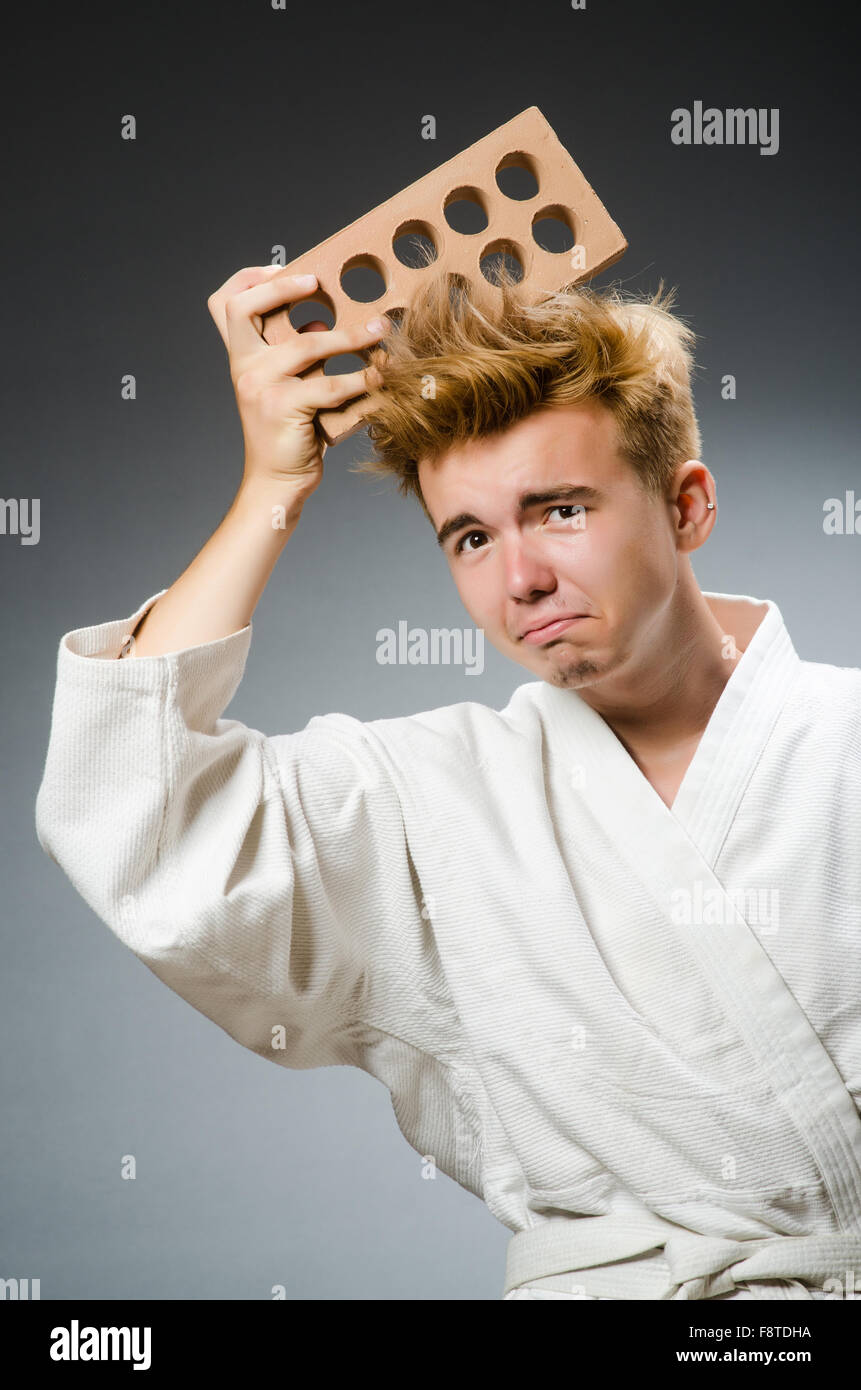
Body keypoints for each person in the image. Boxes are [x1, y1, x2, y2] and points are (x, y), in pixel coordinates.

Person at [35, 262, 861, 1301]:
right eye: (471, 537)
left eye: (559, 510)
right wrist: (270, 493)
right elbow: (136, 815)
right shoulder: (435, 797)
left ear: (686, 505)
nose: (518, 578)